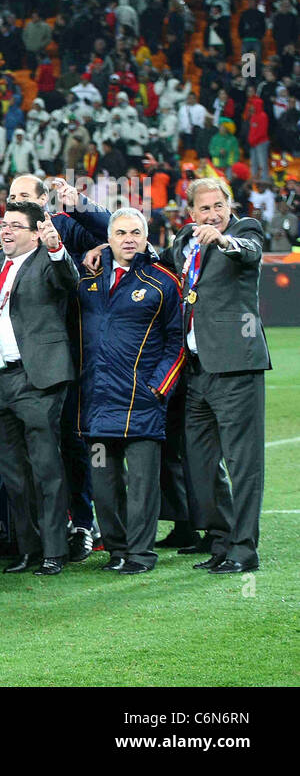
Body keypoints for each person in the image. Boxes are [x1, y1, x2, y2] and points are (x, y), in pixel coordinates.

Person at [158, 178, 270, 574]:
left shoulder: (244, 231)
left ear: (230, 204)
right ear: (191, 213)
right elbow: (160, 264)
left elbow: (250, 252)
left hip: (236, 364)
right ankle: (222, 540)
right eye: (204, 209)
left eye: (218, 205)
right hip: (196, 370)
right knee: (201, 464)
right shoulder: (184, 240)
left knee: (243, 463)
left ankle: (245, 549)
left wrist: (223, 241)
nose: (212, 215)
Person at [77, 208, 185, 575]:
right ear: (108, 238)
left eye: (135, 232)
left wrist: (158, 388)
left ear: (146, 237)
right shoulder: (88, 281)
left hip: (142, 404)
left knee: (142, 488)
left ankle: (140, 555)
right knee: (104, 488)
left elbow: (177, 342)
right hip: (96, 407)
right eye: (121, 232)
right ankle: (118, 551)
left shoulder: (163, 282)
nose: (128, 239)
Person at [0, 200, 80, 576]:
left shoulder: (46, 260)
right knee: (13, 473)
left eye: (15, 226)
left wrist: (57, 248)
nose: (5, 231)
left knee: (46, 468)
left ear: (37, 232)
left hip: (37, 377)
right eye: (3, 225)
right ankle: (28, 549)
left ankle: (55, 550)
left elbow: (69, 280)